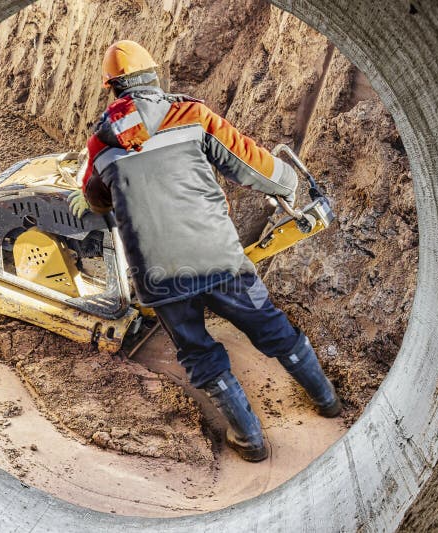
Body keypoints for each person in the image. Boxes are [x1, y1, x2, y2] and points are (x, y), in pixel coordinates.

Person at [69, 40, 340, 462]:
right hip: (219, 259)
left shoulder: (100, 145)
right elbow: (250, 163)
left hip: (158, 275)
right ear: (153, 77)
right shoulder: (192, 116)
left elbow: (97, 199)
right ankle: (326, 401)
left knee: (197, 350)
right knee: (268, 324)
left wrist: (90, 198)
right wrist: (288, 182)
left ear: (114, 90)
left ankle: (250, 442)